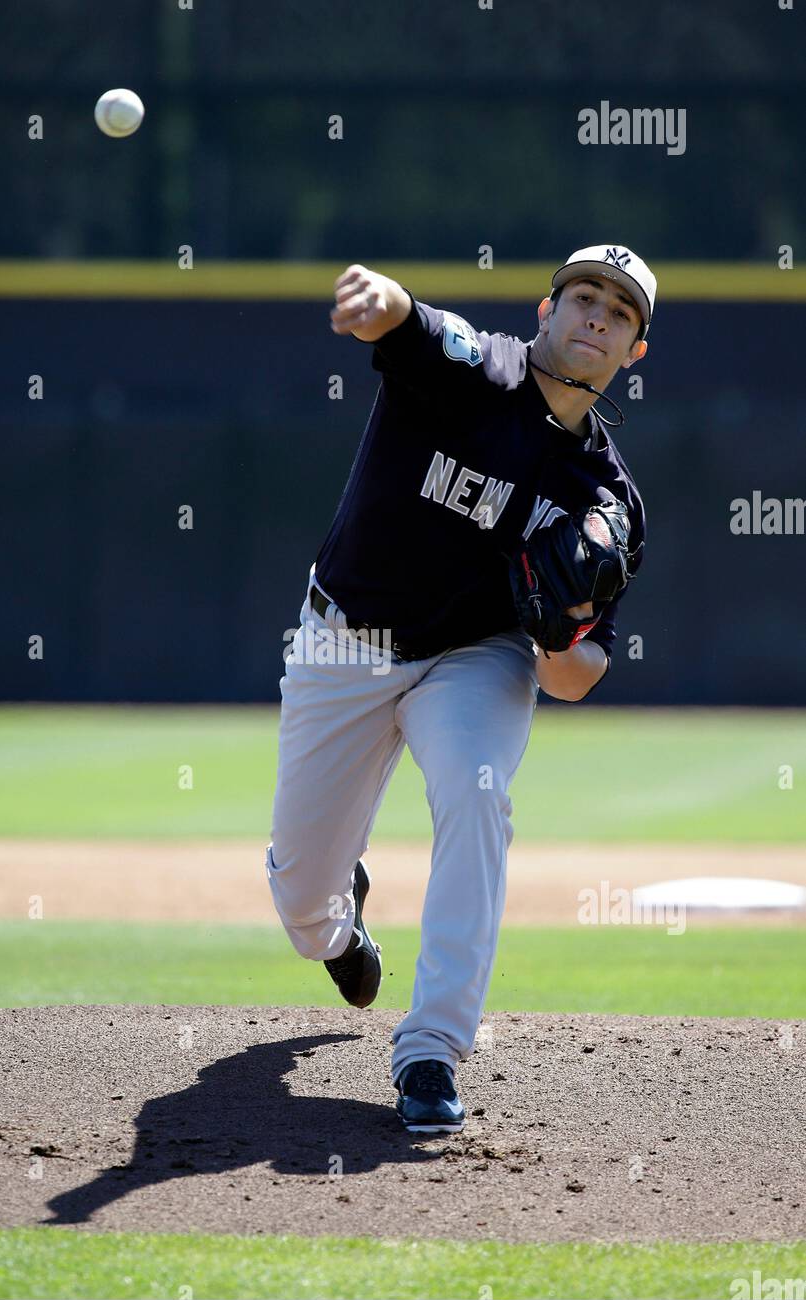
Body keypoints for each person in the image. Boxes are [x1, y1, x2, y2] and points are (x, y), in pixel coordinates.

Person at [264, 245, 654, 1133]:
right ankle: (338, 924)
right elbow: (412, 322)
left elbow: (578, 677)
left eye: (620, 312)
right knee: (301, 902)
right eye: (583, 296)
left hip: (479, 656)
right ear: (545, 310)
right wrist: (377, 299)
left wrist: (558, 631)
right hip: (346, 638)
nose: (597, 315)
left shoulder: (607, 499)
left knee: (478, 797)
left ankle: (431, 1050)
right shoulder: (478, 369)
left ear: (632, 351)